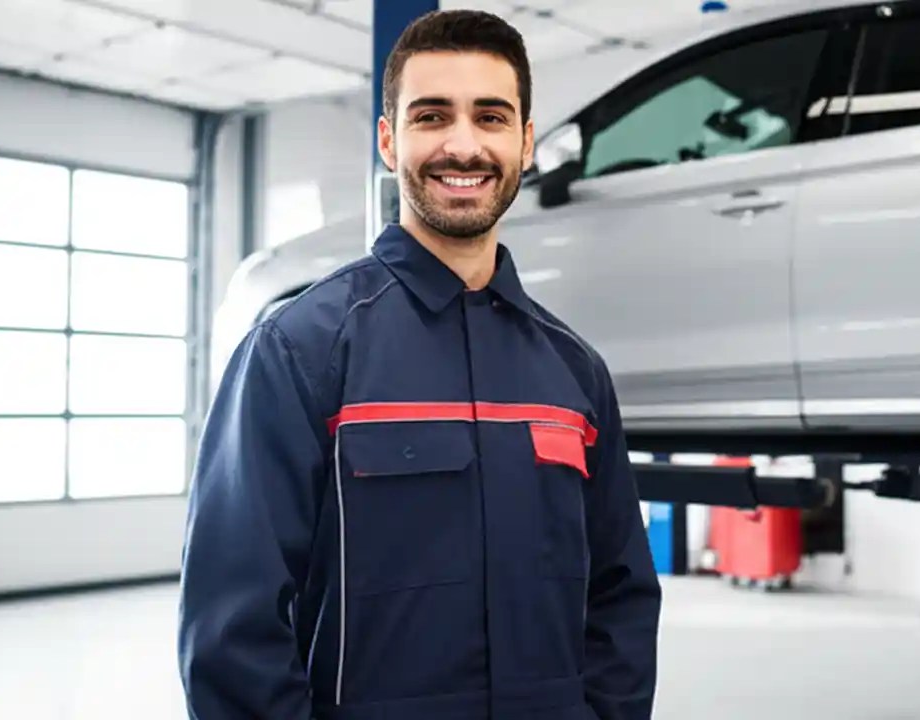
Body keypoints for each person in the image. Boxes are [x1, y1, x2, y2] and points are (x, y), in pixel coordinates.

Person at [177, 9, 661, 720]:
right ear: (388, 140)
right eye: (432, 116)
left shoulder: (575, 372)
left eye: (491, 118)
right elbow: (230, 628)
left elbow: (621, 598)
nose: (463, 145)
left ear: (526, 143)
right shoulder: (299, 351)